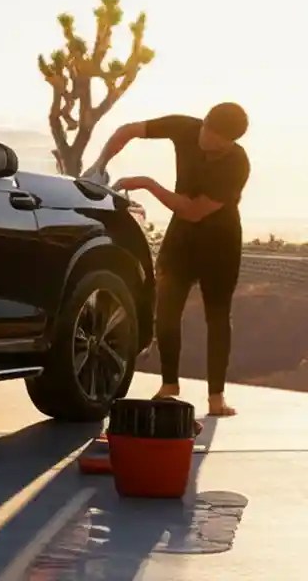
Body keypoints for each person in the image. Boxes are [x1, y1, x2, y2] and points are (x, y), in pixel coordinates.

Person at [85, 102, 251, 417]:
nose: (206, 139)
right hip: (180, 239)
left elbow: (193, 209)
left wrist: (148, 184)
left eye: (216, 138)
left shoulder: (237, 164)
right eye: (206, 129)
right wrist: (101, 162)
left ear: (230, 142)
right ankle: (169, 385)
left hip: (220, 243)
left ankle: (216, 397)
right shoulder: (184, 128)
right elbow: (129, 131)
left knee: (217, 317)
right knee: (167, 310)